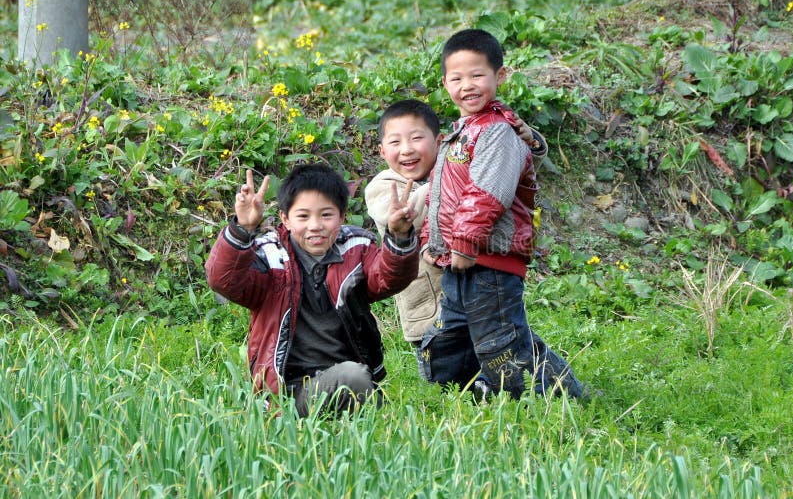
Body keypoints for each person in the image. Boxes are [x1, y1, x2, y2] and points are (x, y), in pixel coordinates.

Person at [367, 98, 582, 399]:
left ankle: (561, 391)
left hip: (471, 288)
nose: (407, 149)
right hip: (424, 308)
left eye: (417, 138)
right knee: (439, 363)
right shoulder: (382, 185)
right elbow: (403, 215)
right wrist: (465, 179)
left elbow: (496, 177)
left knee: (505, 343)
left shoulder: (454, 167)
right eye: (395, 142)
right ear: (382, 151)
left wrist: (479, 165)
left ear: (440, 142)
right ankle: (450, 404)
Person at [420, 28, 584, 399]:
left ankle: (530, 399)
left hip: (487, 259)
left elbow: (488, 194)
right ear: (444, 82)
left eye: (478, 75)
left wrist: (462, 243)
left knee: (501, 341)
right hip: (460, 258)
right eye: (457, 78)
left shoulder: (496, 131)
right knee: (461, 334)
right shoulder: (461, 131)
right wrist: (435, 243)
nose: (468, 85)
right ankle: (461, 391)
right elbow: (442, 195)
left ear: (500, 76)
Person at [205, 162, 419, 416]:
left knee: (354, 378)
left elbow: (389, 278)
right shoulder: (270, 256)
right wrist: (242, 230)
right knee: (355, 379)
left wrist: (399, 236)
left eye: (326, 215)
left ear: (341, 216)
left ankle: (364, 420)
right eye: (303, 216)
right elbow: (223, 281)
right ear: (285, 219)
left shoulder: (356, 249)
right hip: (287, 392)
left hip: (343, 373)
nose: (315, 225)